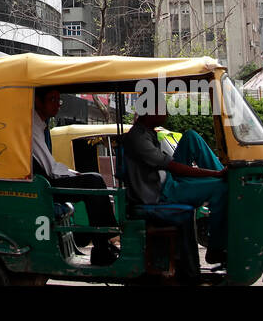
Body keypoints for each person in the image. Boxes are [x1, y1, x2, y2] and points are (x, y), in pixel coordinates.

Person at [123, 96, 228, 264]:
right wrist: (214, 175)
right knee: (220, 189)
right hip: (160, 194)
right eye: (162, 107)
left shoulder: (149, 133)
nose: (166, 112)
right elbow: (173, 166)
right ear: (150, 111)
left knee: (191, 137)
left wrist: (215, 174)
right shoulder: (138, 138)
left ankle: (225, 176)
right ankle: (216, 247)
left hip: (167, 181)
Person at [31, 88, 118, 266]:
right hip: (43, 186)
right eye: (52, 99)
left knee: (94, 179)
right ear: (38, 102)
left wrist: (72, 173)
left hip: (46, 180)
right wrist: (73, 174)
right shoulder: (32, 127)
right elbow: (50, 168)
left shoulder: (42, 125)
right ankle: (102, 246)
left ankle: (104, 243)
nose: (57, 104)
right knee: (93, 180)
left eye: (58, 100)